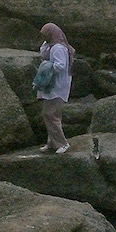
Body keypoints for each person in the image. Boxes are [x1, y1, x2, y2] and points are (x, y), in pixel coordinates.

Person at [36, 23, 73, 154]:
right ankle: (52, 142)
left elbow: (60, 66)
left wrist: (46, 66)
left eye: (45, 34)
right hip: (51, 86)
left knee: (51, 115)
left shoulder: (58, 48)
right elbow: (43, 52)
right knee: (49, 114)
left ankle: (63, 143)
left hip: (57, 86)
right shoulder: (51, 46)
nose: (43, 37)